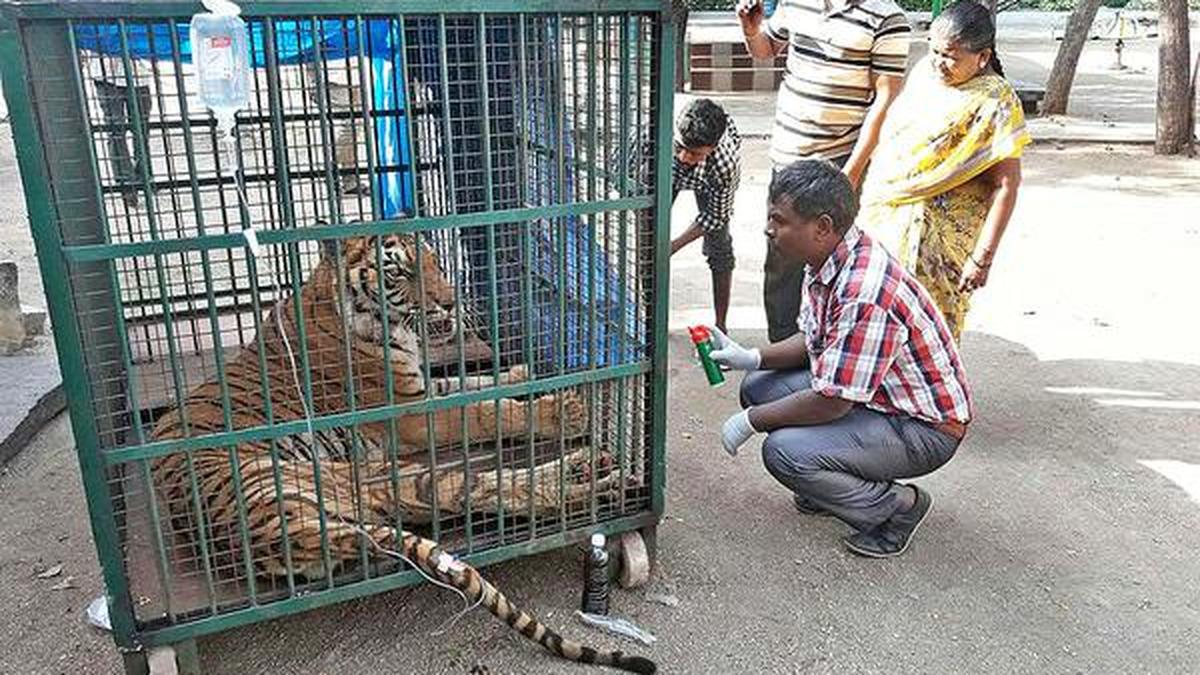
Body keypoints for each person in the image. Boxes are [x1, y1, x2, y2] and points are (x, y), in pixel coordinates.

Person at [708, 160, 971, 558]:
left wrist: (749, 422)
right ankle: (832, 485)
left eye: (779, 220)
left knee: (784, 451)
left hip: (923, 428)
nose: (769, 229)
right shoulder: (831, 258)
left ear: (822, 227)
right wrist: (751, 357)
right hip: (878, 400)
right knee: (759, 386)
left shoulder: (865, 290)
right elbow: (813, 340)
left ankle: (896, 509)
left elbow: (832, 401)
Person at [736, 0, 913, 343]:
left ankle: (827, 352)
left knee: (832, 261)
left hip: (838, 161)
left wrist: (851, 174)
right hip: (787, 155)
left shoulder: (888, 17)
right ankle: (783, 352)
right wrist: (750, 28)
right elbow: (765, 50)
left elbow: (884, 101)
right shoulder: (796, 2)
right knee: (781, 260)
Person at [858, 1, 1030, 340]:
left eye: (950, 56)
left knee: (927, 335)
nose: (938, 62)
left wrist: (982, 259)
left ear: (982, 57)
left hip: (944, 241)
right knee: (872, 319)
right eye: (933, 50)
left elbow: (1006, 186)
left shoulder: (997, 101)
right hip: (886, 217)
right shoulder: (924, 73)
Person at [669, 98, 742, 334]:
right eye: (681, 148)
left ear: (712, 147)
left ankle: (721, 327)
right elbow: (641, 199)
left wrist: (674, 245)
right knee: (648, 247)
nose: (684, 158)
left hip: (709, 180)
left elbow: (716, 216)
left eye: (694, 153)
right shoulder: (657, 141)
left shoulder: (725, 162)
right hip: (665, 173)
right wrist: (657, 247)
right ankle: (652, 325)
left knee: (720, 247)